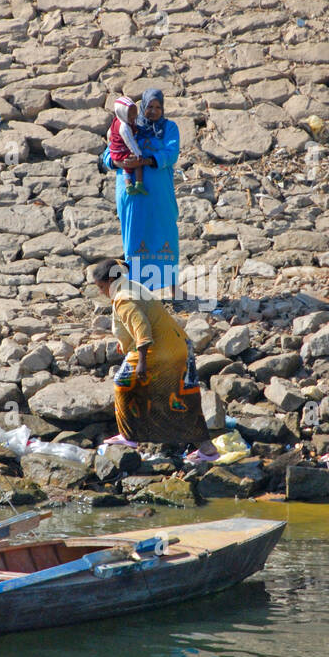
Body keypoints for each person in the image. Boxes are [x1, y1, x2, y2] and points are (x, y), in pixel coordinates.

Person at [89, 258, 220, 464]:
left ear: (110, 281)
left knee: (123, 385)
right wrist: (125, 344)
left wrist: (141, 362)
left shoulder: (124, 298)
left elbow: (142, 329)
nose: (101, 292)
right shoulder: (131, 285)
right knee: (181, 397)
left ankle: (129, 436)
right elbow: (143, 320)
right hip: (178, 346)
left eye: (102, 287)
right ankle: (207, 449)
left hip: (158, 351)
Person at [103, 88, 185, 300]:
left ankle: (174, 290)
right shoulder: (127, 125)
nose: (154, 111)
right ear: (142, 107)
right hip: (133, 197)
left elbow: (171, 153)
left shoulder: (169, 128)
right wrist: (121, 162)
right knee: (134, 239)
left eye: (158, 107)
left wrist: (147, 161)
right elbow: (107, 155)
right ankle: (135, 293)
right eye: (150, 107)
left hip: (160, 195)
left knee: (167, 235)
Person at [106, 96, 147, 195]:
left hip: (117, 151)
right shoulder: (124, 127)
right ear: (122, 113)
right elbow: (131, 143)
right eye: (130, 115)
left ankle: (129, 185)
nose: (134, 117)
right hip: (120, 151)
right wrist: (138, 155)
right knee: (136, 163)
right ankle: (138, 183)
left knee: (128, 166)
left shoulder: (118, 121)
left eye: (135, 113)